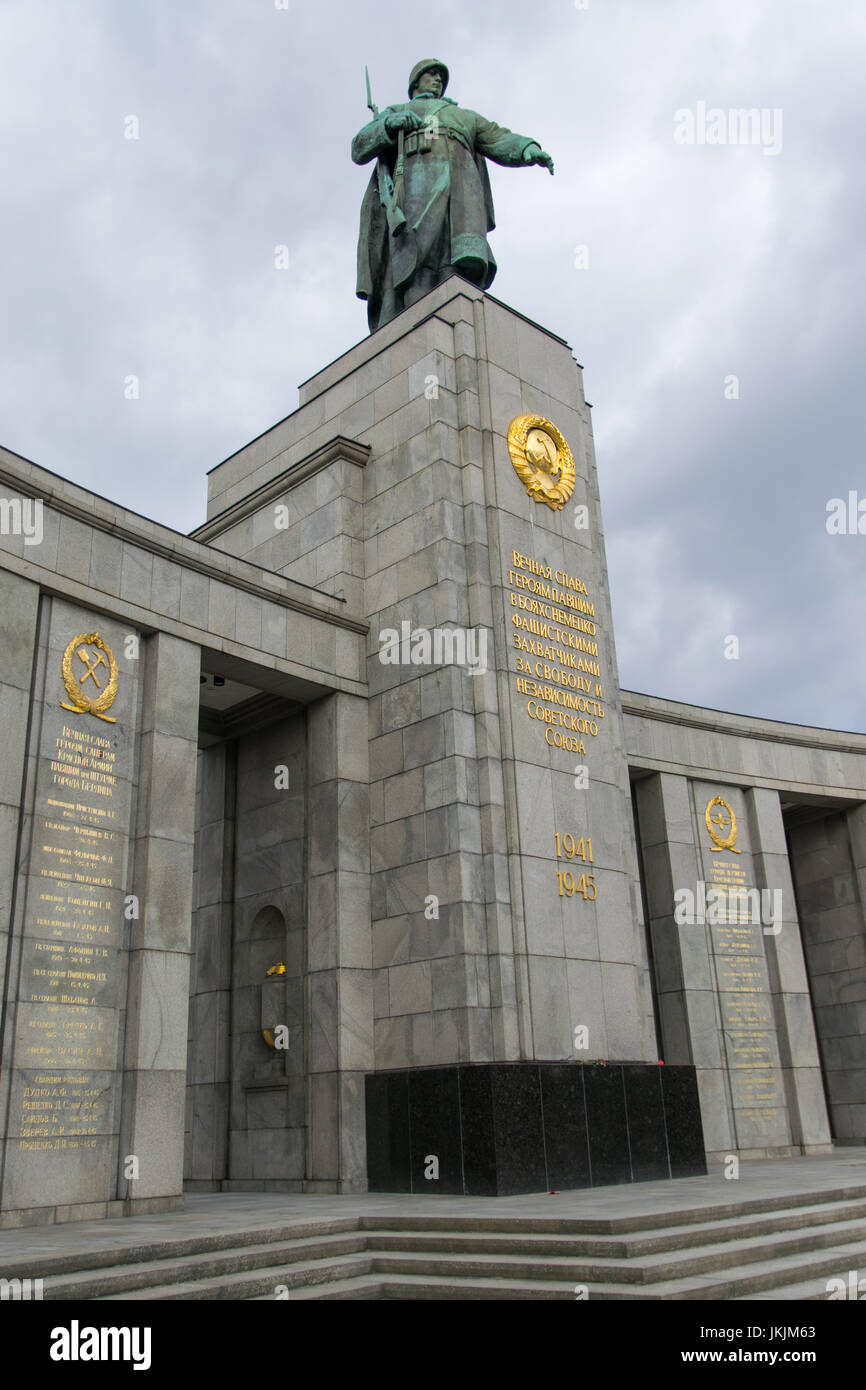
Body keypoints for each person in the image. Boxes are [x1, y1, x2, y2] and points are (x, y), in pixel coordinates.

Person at [353, 60, 554, 332]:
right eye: (431, 75)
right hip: (417, 187)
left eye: (441, 77)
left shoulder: (464, 116)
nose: (437, 80)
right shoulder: (398, 110)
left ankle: (455, 324)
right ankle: (421, 327)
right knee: (417, 262)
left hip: (461, 191)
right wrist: (389, 124)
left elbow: (497, 137)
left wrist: (527, 149)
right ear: (415, 82)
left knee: (455, 264)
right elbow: (360, 146)